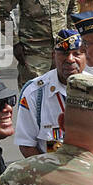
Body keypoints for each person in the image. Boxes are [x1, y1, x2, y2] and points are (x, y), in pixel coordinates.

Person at [16, 28, 85, 156]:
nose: (70, 59)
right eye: (64, 54)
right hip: (49, 171)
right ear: (54, 56)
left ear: (86, 55)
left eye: (76, 53)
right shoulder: (35, 93)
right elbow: (26, 145)